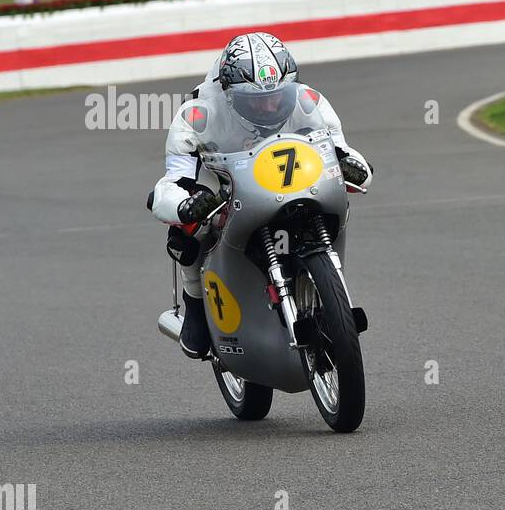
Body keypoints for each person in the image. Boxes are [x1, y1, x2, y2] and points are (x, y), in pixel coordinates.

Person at [147, 32, 373, 359]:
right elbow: (172, 184)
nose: (268, 106)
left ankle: (333, 294)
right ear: (229, 96)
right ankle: (195, 305)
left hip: (293, 179)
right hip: (226, 182)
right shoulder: (196, 115)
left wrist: (350, 166)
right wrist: (185, 206)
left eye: (278, 97)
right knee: (186, 233)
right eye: (255, 101)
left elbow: (345, 153)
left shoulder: (309, 100)